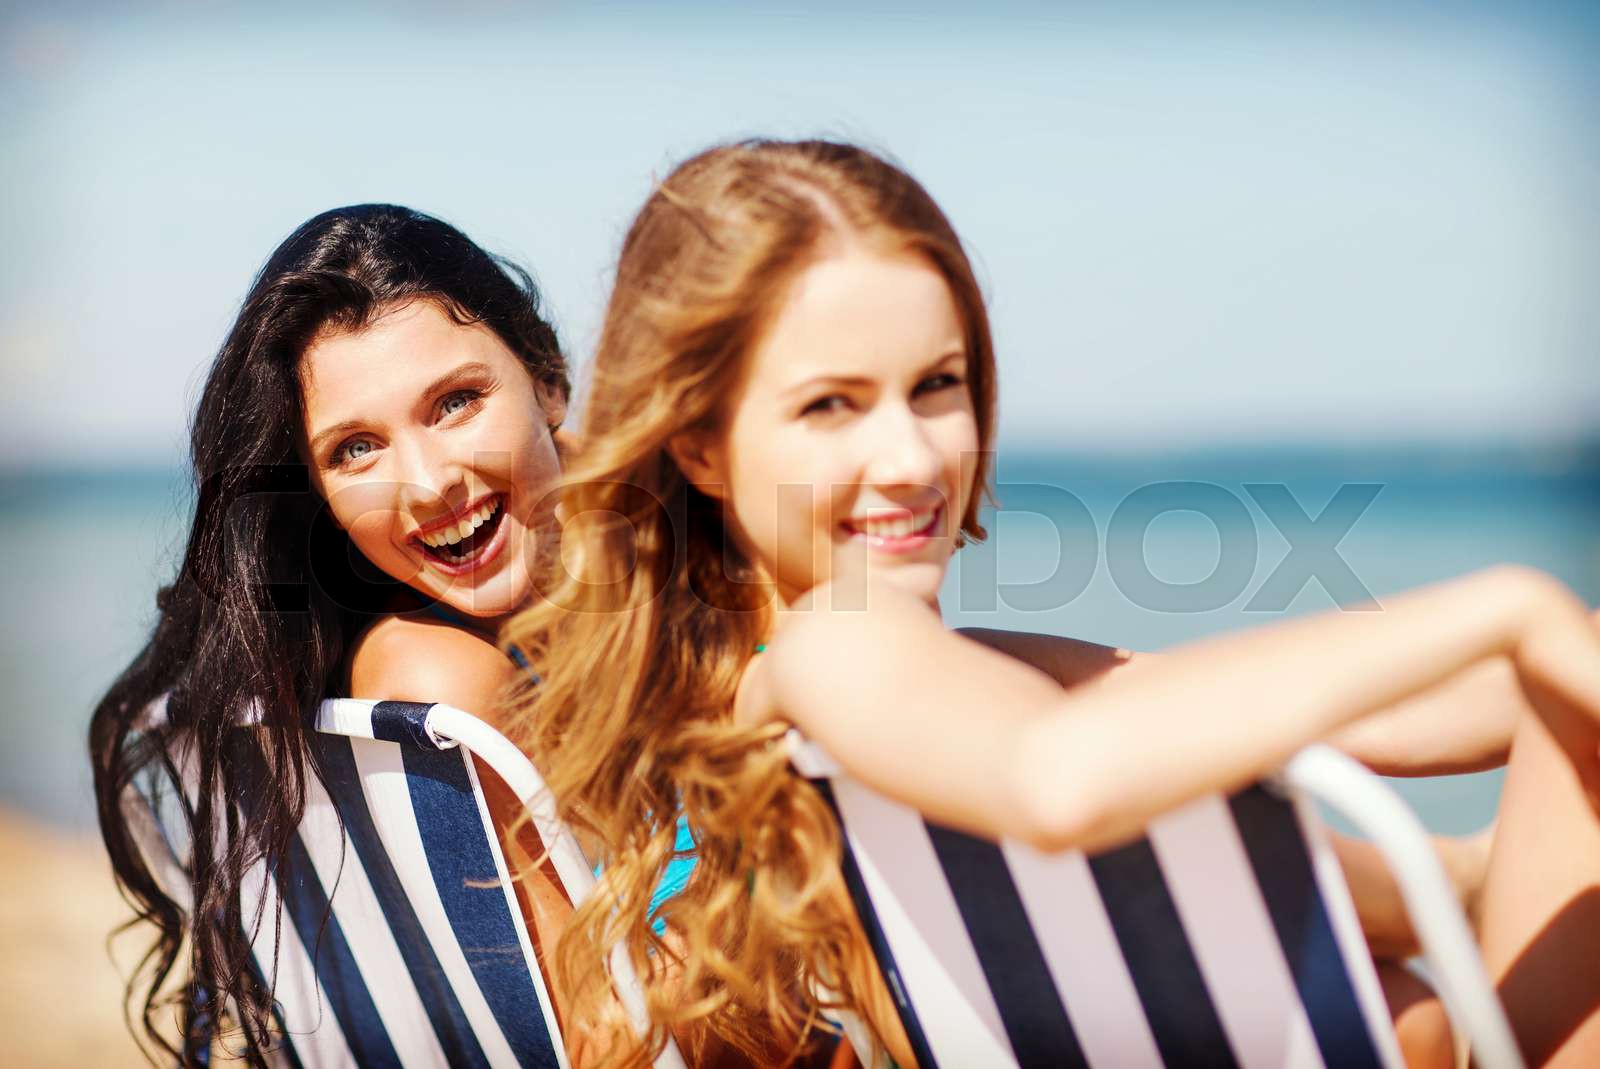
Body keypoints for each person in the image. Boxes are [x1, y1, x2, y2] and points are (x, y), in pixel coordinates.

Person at [504, 139, 1600, 1069]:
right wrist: (1509, 607)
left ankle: (1460, 874)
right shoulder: (842, 642)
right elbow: (1057, 777)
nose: (909, 456)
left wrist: (1548, 660)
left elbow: (1279, 705)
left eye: (937, 385)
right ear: (699, 442)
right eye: (830, 405)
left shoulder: (816, 669)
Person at [89, 204, 574, 1062]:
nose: (428, 485)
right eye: (356, 449)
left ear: (549, 378)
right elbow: (602, 1029)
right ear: (314, 494)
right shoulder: (439, 681)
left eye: (456, 402)